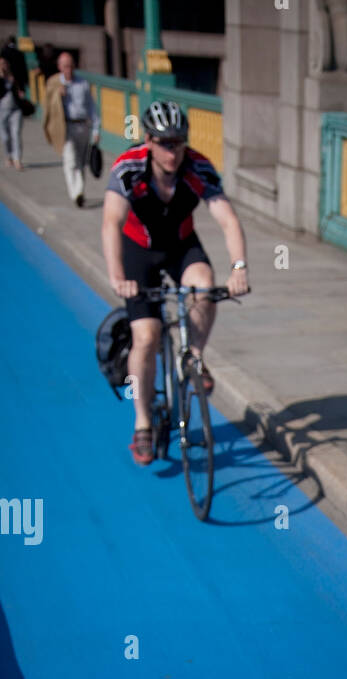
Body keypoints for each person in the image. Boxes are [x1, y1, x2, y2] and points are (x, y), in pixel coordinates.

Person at [101, 99, 250, 465]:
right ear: (149, 141)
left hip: (181, 245)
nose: (174, 151)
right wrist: (118, 277)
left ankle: (193, 358)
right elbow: (110, 223)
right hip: (139, 251)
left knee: (204, 285)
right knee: (147, 336)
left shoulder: (197, 166)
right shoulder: (128, 168)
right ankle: (142, 423)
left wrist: (239, 268)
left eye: (180, 142)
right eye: (166, 143)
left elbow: (227, 219)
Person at [42, 51, 99, 207]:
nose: (69, 69)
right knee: (70, 160)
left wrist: (96, 129)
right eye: (65, 66)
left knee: (81, 161)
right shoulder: (54, 83)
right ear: (60, 67)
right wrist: (58, 96)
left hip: (83, 125)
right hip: (65, 126)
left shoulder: (83, 83)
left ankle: (80, 190)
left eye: (71, 65)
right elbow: (47, 105)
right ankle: (76, 193)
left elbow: (92, 107)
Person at [0, 55, 23, 169]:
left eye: (4, 63)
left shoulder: (14, 76)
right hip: (2, 110)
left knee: (16, 133)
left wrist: (20, 91)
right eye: (1, 64)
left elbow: (21, 87)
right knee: (5, 136)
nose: (3, 66)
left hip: (16, 109)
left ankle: (17, 159)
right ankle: (8, 156)